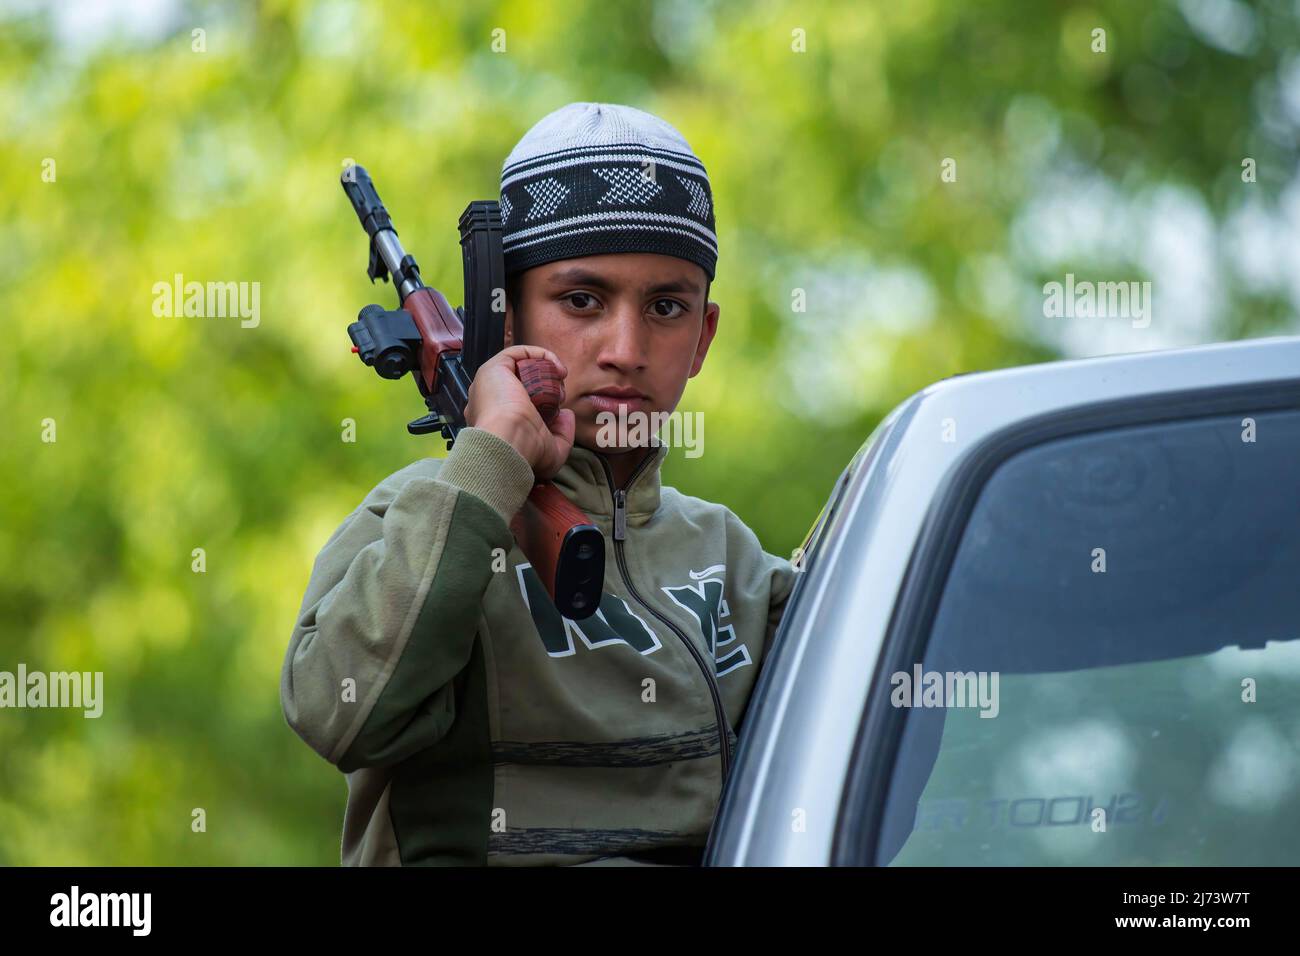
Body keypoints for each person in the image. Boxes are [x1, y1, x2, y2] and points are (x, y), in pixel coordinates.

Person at [280, 102, 798, 866]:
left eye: (665, 306)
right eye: (581, 301)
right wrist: (487, 465)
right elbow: (335, 714)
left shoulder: (737, 561)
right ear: (509, 317)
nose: (625, 349)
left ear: (704, 337)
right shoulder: (426, 513)